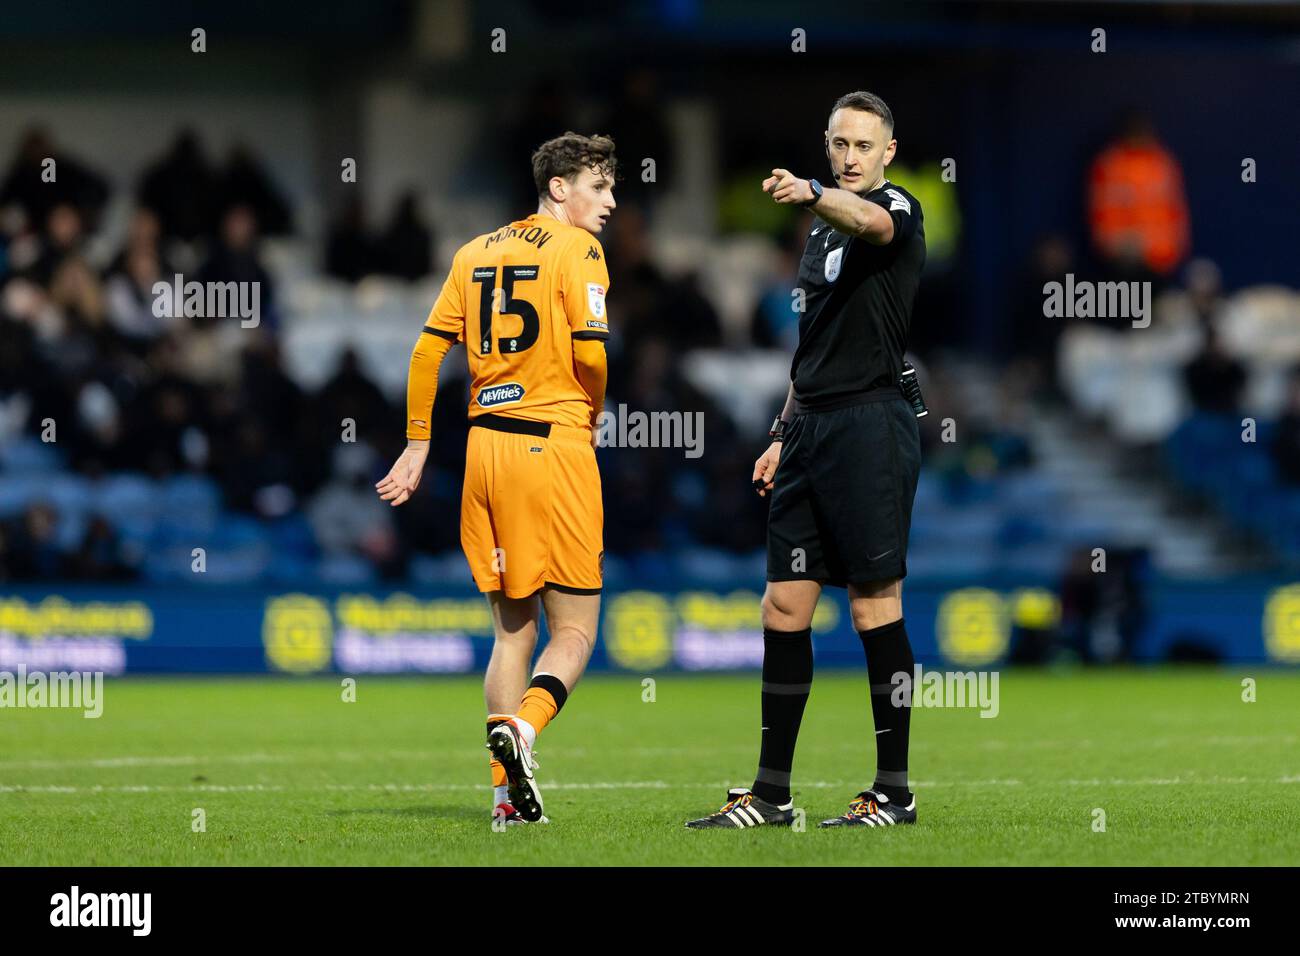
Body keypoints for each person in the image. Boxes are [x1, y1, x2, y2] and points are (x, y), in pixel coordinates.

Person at [685, 91, 927, 830]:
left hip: (871, 426)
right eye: (838, 145)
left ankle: (893, 792)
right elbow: (811, 346)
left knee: (872, 605)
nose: (850, 157)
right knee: (785, 604)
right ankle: (771, 794)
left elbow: (875, 222)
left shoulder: (895, 207)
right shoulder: (819, 236)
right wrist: (780, 434)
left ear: (887, 151)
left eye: (862, 145)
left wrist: (817, 192)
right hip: (813, 429)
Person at [377, 133, 617, 826]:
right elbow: (592, 354)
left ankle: (506, 801)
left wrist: (418, 445)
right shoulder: (581, 252)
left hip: (485, 451)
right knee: (573, 633)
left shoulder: (474, 251)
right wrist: (594, 411)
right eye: (597, 187)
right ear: (559, 188)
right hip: (555, 446)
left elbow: (426, 354)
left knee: (513, 633)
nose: (608, 203)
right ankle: (526, 730)